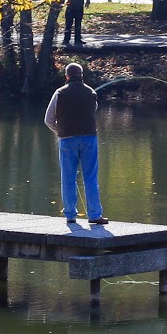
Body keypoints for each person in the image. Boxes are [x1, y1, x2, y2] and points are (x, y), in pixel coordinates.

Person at [44, 62, 107, 225]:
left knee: (68, 178)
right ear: (81, 75)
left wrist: (60, 131)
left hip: (67, 140)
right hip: (89, 139)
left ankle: (70, 215)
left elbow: (48, 119)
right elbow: (92, 111)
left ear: (66, 76)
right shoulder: (91, 92)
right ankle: (94, 215)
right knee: (91, 177)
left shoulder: (59, 93)